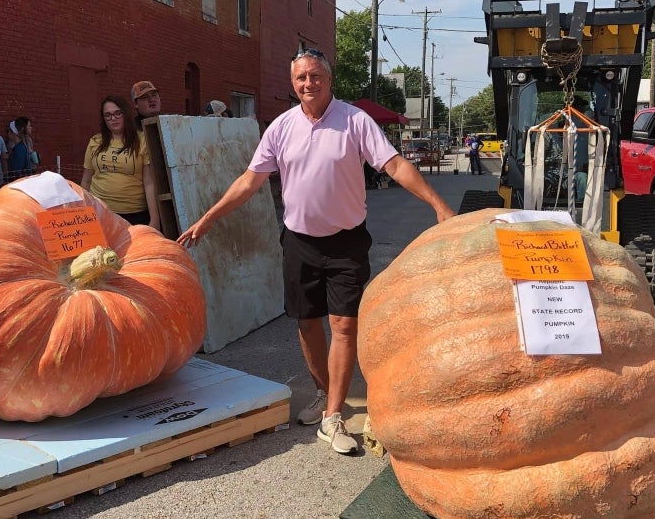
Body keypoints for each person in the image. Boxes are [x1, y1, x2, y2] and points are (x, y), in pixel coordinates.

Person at [176, 47, 455, 455]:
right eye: (301, 78)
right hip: (299, 241)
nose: (309, 83)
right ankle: (326, 394)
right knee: (307, 324)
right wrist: (209, 217)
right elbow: (250, 181)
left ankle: (333, 416)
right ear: (293, 84)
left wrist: (439, 205)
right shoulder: (281, 128)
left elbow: (394, 165)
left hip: (346, 243)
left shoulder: (354, 120)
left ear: (329, 79)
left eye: (316, 76)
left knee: (343, 326)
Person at [82, 95, 160, 228]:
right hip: (100, 213)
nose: (113, 118)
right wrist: (83, 213)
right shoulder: (95, 141)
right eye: (108, 115)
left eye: (117, 113)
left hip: (134, 214)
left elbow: (149, 182)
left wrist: (155, 219)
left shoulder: (142, 140)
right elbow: (86, 180)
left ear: (126, 114)